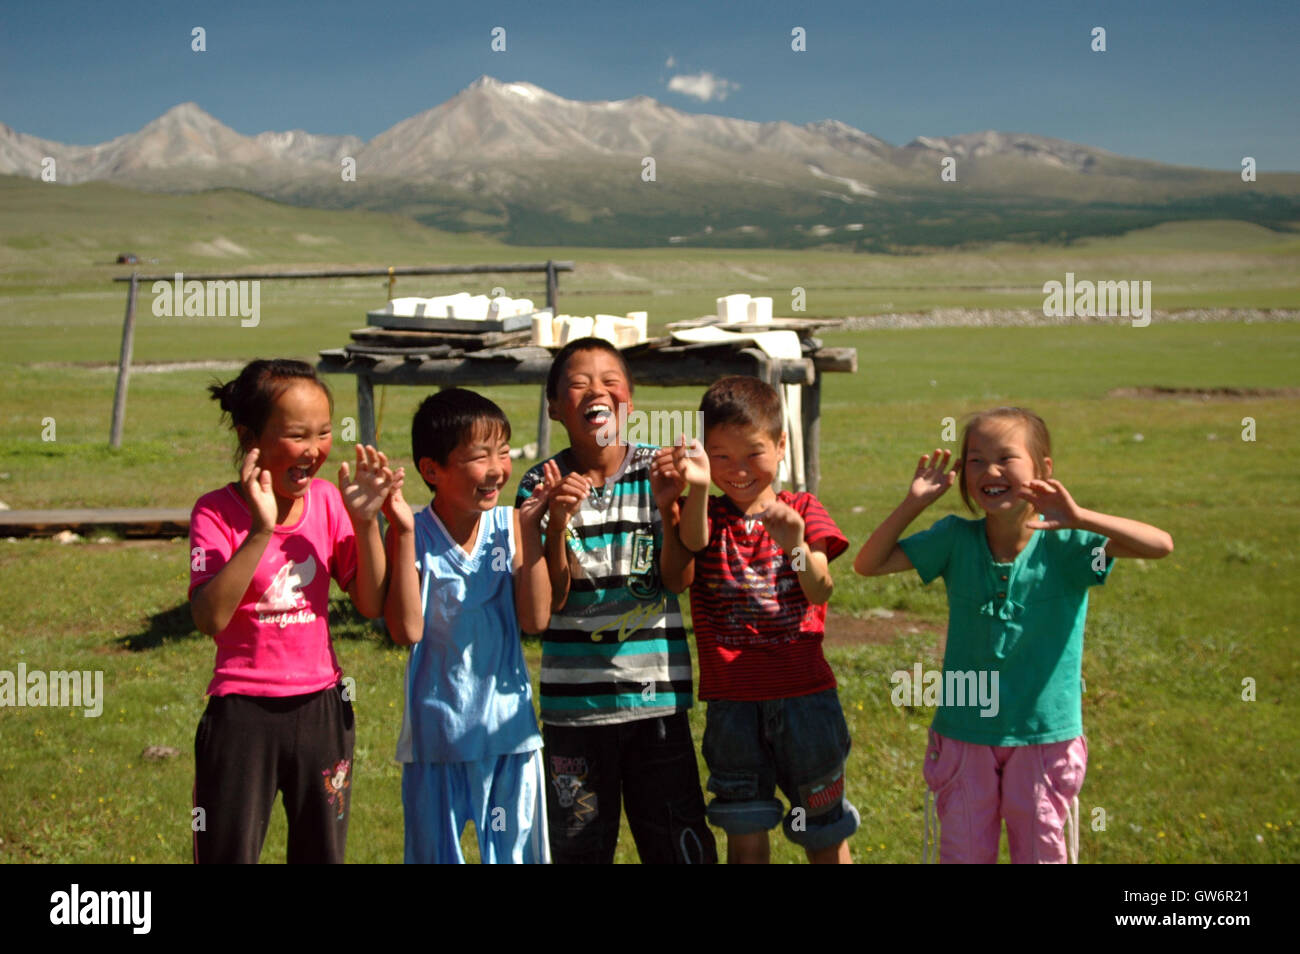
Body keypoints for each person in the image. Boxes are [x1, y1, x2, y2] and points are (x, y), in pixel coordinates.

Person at [853, 406, 1174, 864]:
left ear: (1043, 470)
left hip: (1043, 733)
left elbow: (1160, 545)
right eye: (977, 460)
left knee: (1039, 852)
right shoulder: (953, 540)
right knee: (963, 853)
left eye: (1006, 458)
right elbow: (869, 564)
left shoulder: (1071, 548)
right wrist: (914, 503)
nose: (991, 471)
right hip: (965, 728)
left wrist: (1079, 516)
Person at [515, 337, 717, 864]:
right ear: (554, 406)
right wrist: (555, 526)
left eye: (610, 381)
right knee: (579, 848)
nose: (596, 392)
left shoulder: (659, 470)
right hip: (573, 711)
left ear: (630, 398)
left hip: (657, 704)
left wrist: (673, 507)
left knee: (677, 843)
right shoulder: (540, 484)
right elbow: (550, 604)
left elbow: (678, 578)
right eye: (578, 384)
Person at [189, 358, 395, 863]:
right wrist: (261, 531)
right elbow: (209, 618)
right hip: (241, 715)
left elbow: (370, 603)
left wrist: (367, 523)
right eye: (296, 435)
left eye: (324, 433)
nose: (313, 449)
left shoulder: (328, 502)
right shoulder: (215, 512)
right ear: (248, 436)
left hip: (321, 710)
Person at [656, 375, 858, 864]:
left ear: (782, 445)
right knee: (743, 831)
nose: (738, 470)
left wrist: (795, 547)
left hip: (805, 699)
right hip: (733, 704)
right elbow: (683, 566)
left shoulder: (804, 510)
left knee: (824, 831)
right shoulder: (701, 515)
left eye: (753, 454)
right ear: (701, 454)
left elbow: (819, 588)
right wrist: (689, 494)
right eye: (720, 456)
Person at [383, 388, 553, 864]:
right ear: (431, 470)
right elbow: (406, 631)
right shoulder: (413, 533)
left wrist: (535, 533)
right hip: (436, 738)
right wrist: (400, 534)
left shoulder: (510, 526)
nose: (498, 468)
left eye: (503, 451)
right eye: (480, 456)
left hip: (510, 734)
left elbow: (535, 619)